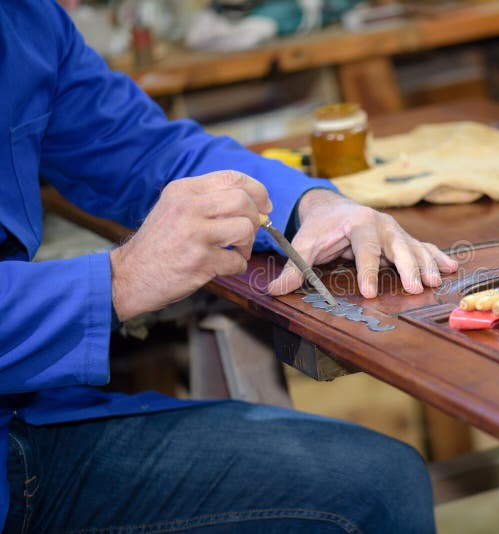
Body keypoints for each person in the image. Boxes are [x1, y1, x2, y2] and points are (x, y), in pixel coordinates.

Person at [0, 1, 458, 532]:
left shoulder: (28, 18)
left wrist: (309, 204)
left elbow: (145, 150)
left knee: (379, 484)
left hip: (26, 421)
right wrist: (119, 280)